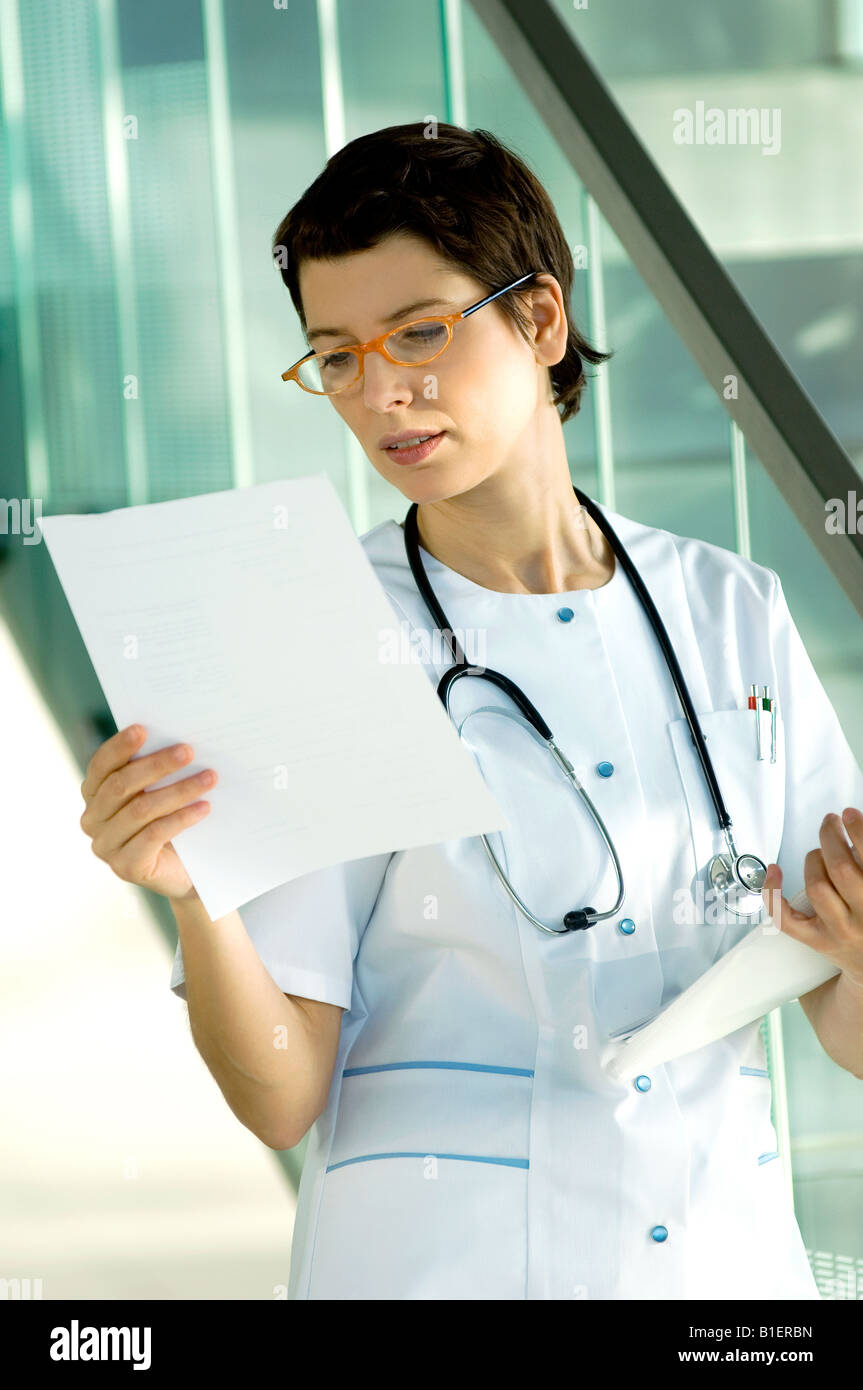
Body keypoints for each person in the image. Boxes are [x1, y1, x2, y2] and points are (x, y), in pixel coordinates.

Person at [79, 123, 863, 1301]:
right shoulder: (310, 629)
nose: (381, 389)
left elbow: (843, 1021)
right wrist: (204, 900)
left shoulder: (730, 609)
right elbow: (281, 1097)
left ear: (539, 319)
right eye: (335, 356)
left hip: (718, 1275)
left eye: (419, 333)